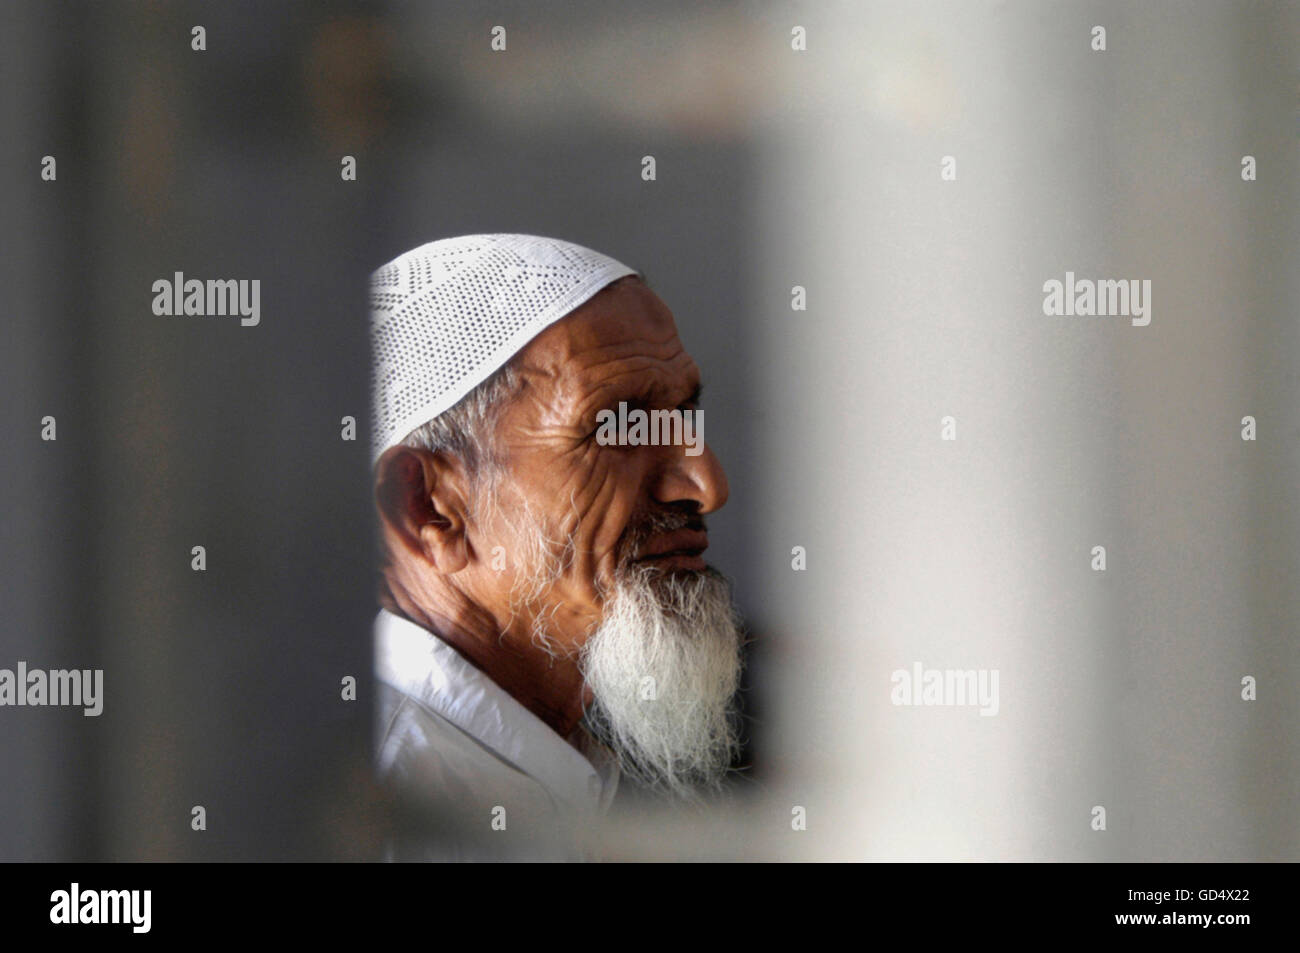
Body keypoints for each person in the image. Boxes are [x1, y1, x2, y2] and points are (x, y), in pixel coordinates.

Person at [370, 233, 744, 860]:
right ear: (426, 505)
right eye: (619, 428)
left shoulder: (557, 764)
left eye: (686, 417)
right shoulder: (374, 817)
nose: (708, 485)